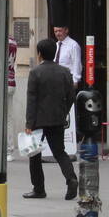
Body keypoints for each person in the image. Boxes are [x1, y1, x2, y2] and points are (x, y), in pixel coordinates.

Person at [23, 38, 78, 200]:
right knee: (60, 152)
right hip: (57, 118)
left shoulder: (35, 73)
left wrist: (28, 123)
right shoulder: (65, 72)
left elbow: (31, 100)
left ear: (39, 54)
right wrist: (63, 111)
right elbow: (71, 97)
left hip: (38, 120)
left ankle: (39, 188)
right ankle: (71, 178)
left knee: (34, 154)